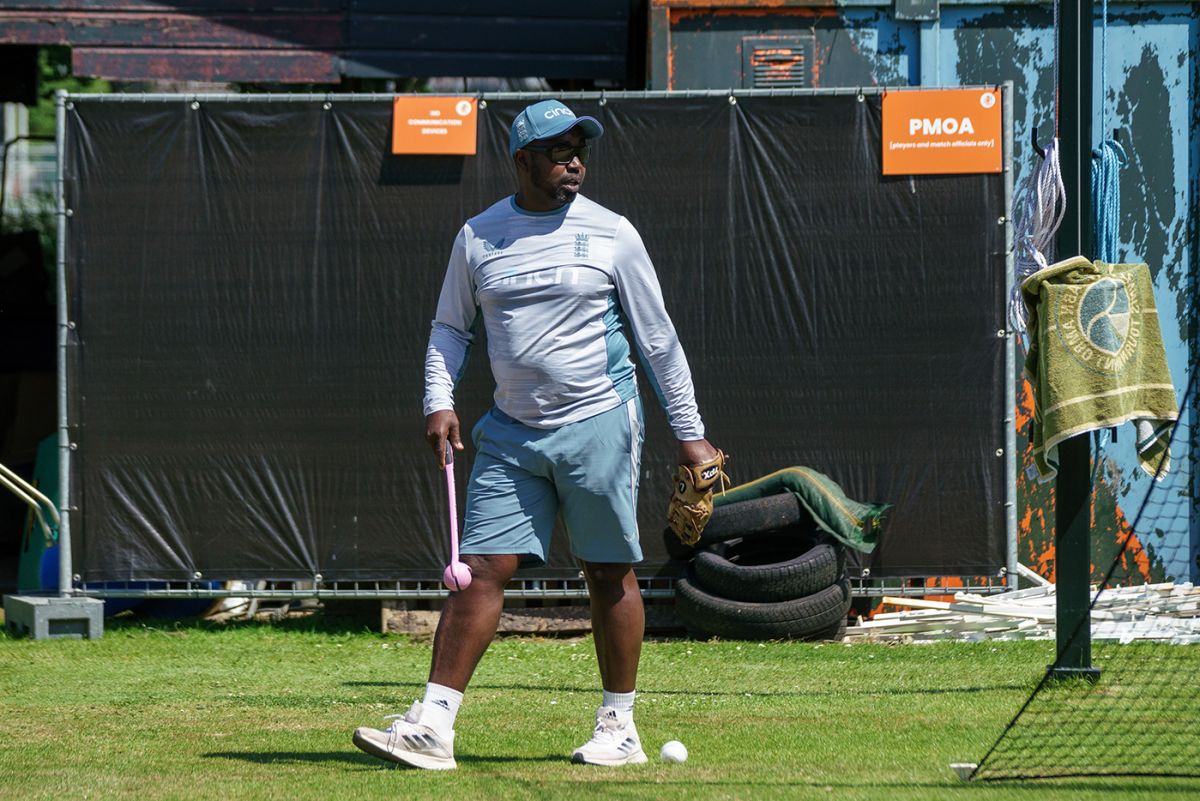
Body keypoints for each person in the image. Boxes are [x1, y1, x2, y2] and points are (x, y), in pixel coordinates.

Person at [352, 99, 720, 770]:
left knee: (607, 570)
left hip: (600, 419)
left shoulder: (613, 233)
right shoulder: (479, 235)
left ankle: (619, 726)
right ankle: (433, 726)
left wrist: (691, 434)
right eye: (557, 150)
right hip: (511, 432)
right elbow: (448, 328)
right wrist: (439, 399)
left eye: (580, 148)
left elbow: (657, 340)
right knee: (482, 569)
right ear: (522, 161)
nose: (574, 159)